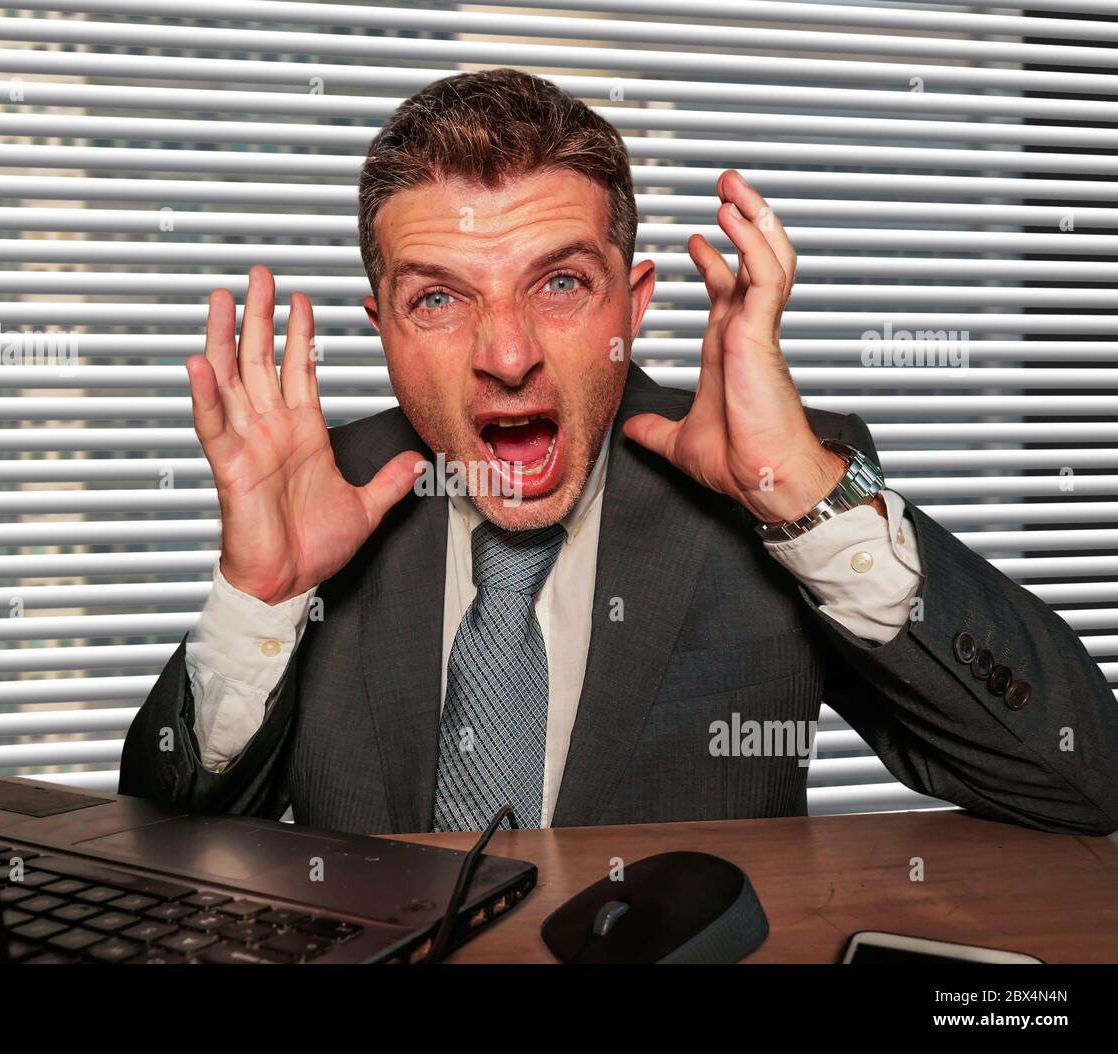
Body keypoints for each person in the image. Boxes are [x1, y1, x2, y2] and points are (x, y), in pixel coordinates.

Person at [119, 68, 1116, 837]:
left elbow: (1083, 779)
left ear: (632, 308)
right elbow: (155, 850)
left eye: (559, 284)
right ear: (380, 328)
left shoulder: (776, 490)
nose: (506, 356)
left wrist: (806, 501)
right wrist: (260, 597)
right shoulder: (323, 496)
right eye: (438, 298)